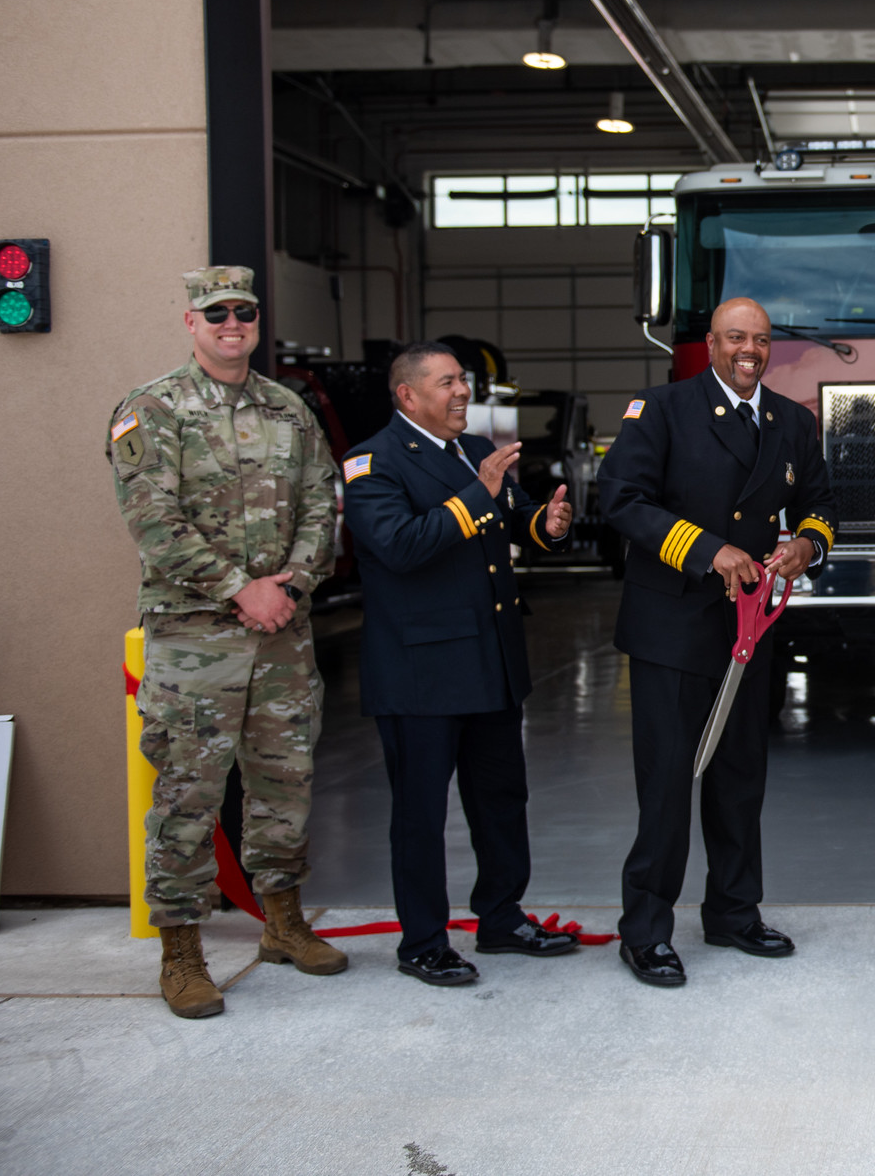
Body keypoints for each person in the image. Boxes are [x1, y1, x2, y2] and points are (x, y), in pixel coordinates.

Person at [107, 265, 347, 1019]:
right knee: (185, 795)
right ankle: (181, 953)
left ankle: (283, 923)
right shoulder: (153, 408)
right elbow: (153, 521)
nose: (232, 323)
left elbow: (323, 507)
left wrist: (292, 585)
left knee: (285, 786)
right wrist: (242, 587)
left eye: (243, 311)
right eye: (217, 313)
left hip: (281, 636)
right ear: (192, 322)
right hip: (194, 640)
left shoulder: (290, 409)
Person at [597, 297, 838, 988]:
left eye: (760, 340)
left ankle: (733, 911)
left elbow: (822, 504)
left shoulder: (792, 421)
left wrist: (806, 544)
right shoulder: (660, 409)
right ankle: (644, 931)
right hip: (672, 626)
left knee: (739, 781)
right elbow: (622, 498)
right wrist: (707, 550)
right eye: (736, 338)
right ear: (710, 342)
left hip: (749, 630)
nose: (749, 351)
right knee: (668, 784)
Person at [340, 341, 581, 988]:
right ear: (407, 394)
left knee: (502, 799)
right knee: (421, 812)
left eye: (462, 381)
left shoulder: (477, 452)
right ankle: (422, 940)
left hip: (490, 663)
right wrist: (479, 494)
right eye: (446, 382)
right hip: (421, 674)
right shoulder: (373, 463)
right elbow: (400, 545)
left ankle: (501, 916)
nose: (460, 392)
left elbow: (521, 518)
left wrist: (550, 524)